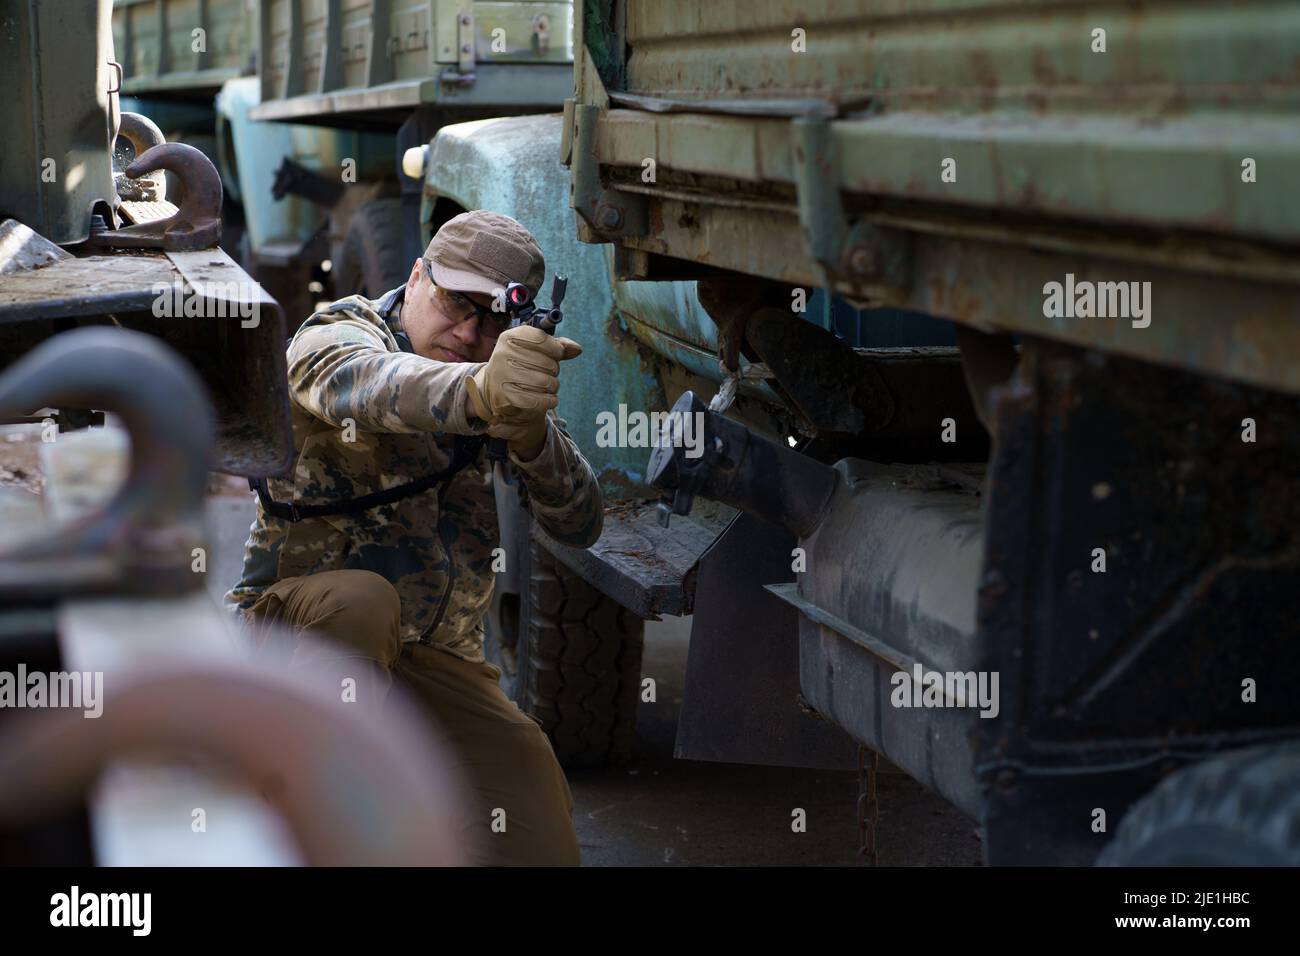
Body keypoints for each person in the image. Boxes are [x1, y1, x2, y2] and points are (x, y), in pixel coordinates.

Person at [226, 210, 603, 865]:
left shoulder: (490, 375)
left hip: (429, 664)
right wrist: (480, 393)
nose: (469, 332)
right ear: (417, 275)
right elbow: (368, 385)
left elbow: (579, 522)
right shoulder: (340, 334)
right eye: (457, 303)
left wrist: (531, 434)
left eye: (492, 319)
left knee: (530, 802)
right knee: (360, 602)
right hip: (294, 641)